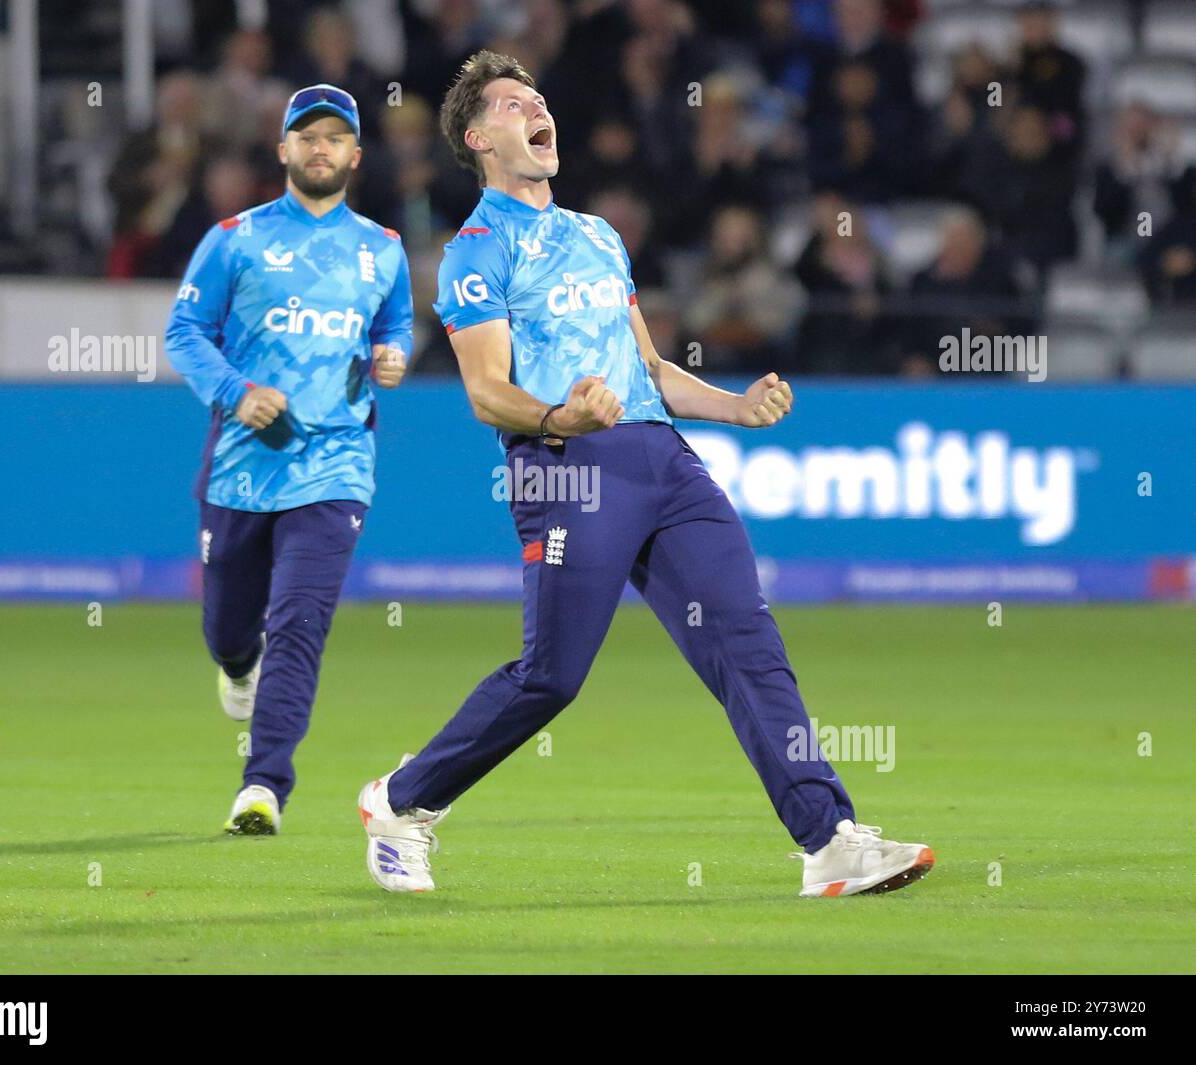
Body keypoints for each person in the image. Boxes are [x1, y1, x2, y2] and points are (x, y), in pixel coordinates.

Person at [356, 51, 933, 898]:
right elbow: (485, 391)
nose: (535, 109)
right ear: (478, 137)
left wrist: (735, 407)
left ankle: (830, 840)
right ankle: (402, 800)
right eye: (513, 105)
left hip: (664, 462)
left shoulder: (599, 237)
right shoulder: (474, 254)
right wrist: (562, 418)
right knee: (551, 676)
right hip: (565, 469)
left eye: (538, 98)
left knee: (749, 642)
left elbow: (651, 370)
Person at [165, 85, 413, 834]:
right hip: (242, 464)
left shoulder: (384, 248)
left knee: (300, 623)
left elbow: (395, 322)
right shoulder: (234, 238)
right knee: (230, 629)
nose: (321, 148)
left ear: (355, 156)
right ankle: (237, 664)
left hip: (336, 463)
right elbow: (184, 333)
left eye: (336, 137)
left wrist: (394, 352)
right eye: (307, 136)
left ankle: (264, 784)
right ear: (282, 150)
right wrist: (236, 393)